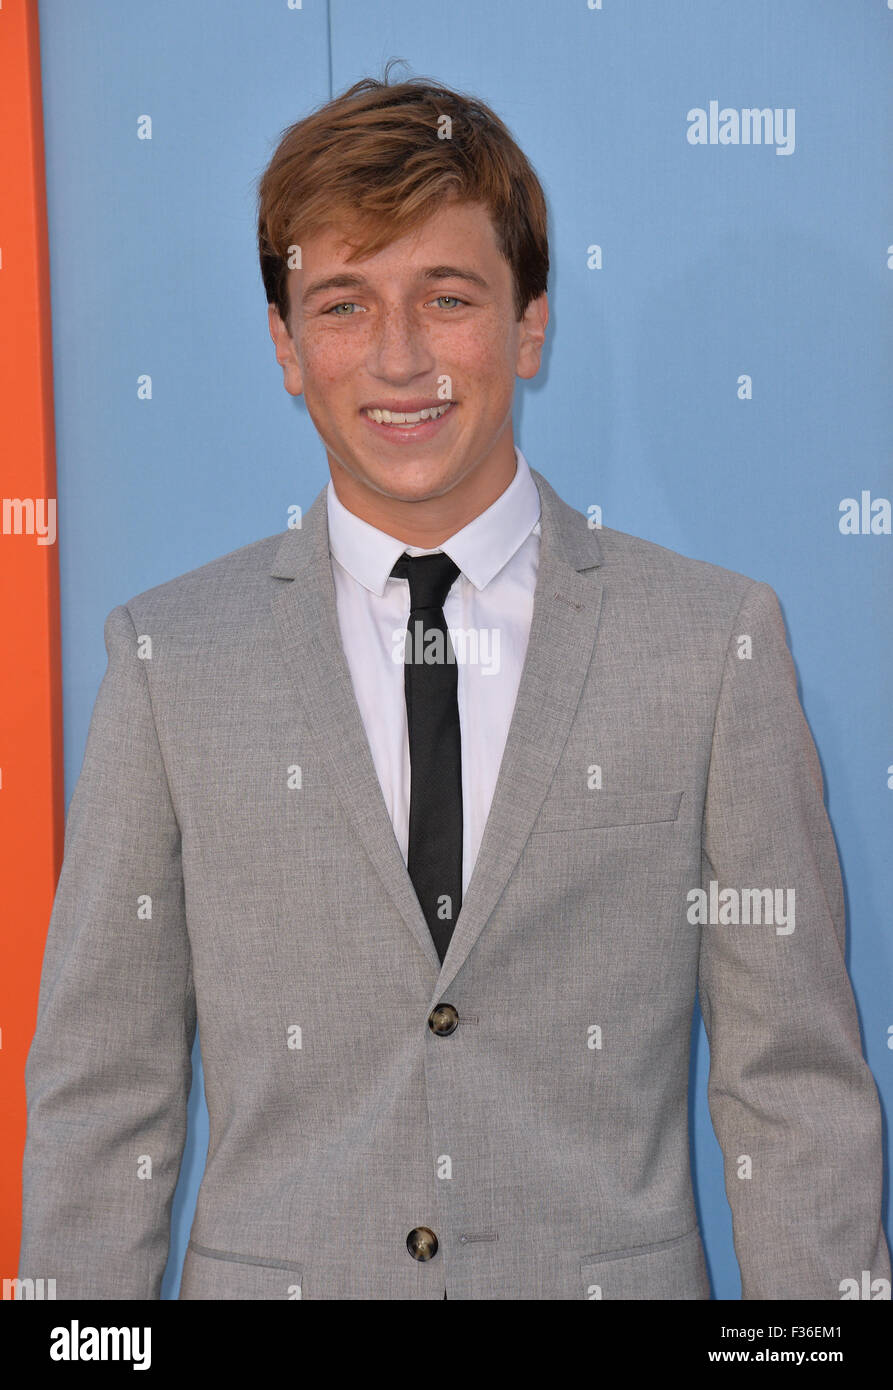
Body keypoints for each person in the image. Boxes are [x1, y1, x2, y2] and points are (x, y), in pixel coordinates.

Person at [18, 69, 890, 1300]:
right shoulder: (171, 661)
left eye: (446, 296)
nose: (398, 357)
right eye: (341, 304)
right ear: (283, 345)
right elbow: (104, 1100)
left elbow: (790, 1091)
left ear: (529, 323)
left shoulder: (712, 644)